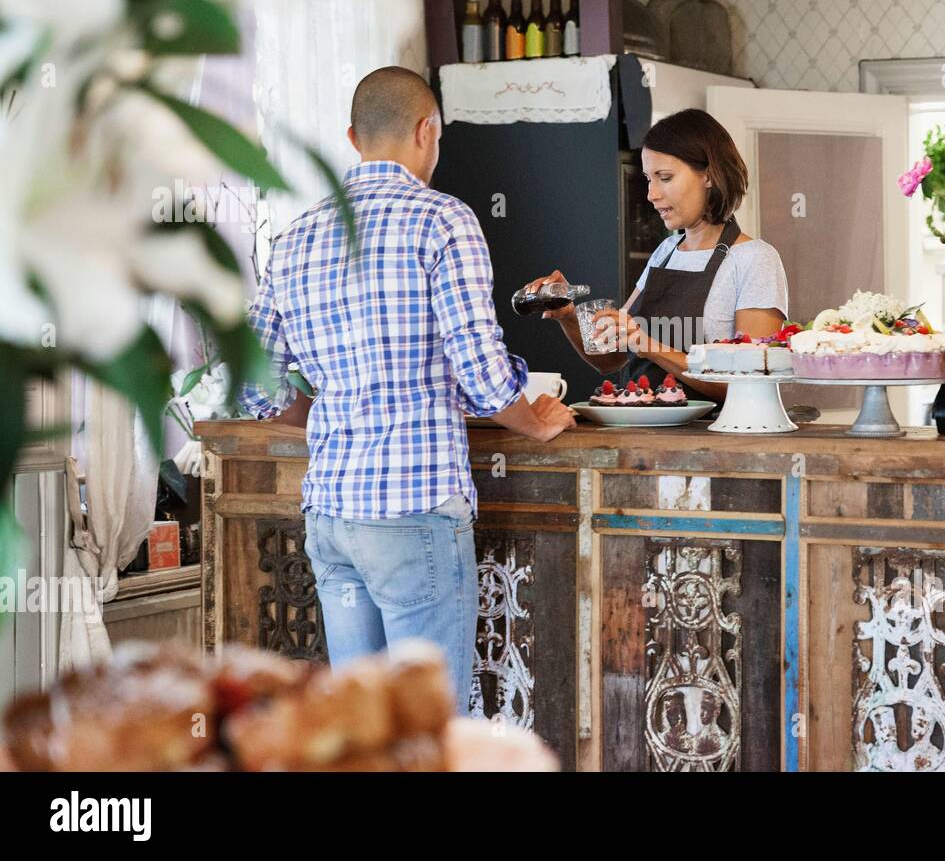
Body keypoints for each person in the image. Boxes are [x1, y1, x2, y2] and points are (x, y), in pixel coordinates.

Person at [238, 66, 574, 710]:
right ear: (428, 131)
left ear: (352, 138)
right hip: (413, 506)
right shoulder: (442, 219)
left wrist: (336, 407)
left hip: (332, 513)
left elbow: (252, 384)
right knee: (428, 723)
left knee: (363, 726)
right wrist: (538, 421)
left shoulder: (296, 236)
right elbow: (481, 373)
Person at [524, 108, 789, 402]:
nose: (651, 194)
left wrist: (647, 344)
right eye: (649, 179)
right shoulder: (665, 252)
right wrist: (568, 315)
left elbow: (750, 381)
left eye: (665, 177)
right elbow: (611, 358)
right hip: (643, 427)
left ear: (709, 175)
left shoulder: (755, 259)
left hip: (713, 429)